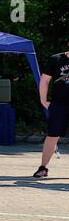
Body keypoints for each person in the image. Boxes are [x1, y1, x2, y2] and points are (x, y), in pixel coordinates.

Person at [34, 42, 69, 178]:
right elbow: (44, 81)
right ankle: (43, 168)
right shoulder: (56, 59)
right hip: (59, 104)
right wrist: (43, 99)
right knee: (52, 136)